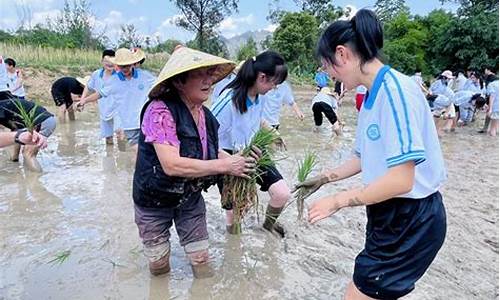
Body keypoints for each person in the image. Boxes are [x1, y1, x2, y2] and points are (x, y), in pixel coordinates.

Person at [296, 9, 447, 299]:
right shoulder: (371, 97)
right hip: (387, 215)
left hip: (411, 219)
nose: (327, 73)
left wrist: (337, 201)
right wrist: (325, 178)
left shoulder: (396, 92)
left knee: (356, 294)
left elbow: (402, 179)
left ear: (342, 55)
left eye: (326, 65)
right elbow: (365, 157)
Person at [133, 45, 257, 278]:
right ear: (179, 81)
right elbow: (171, 165)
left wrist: (239, 161)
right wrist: (226, 166)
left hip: (189, 198)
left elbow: (211, 151)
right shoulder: (159, 111)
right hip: (154, 200)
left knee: (201, 259)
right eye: (199, 74)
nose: (208, 80)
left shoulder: (206, 115)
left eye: (210, 74)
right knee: (159, 266)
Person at [211, 51, 291, 238]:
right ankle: (234, 247)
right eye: (274, 83)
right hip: (227, 155)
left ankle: (267, 228)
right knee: (236, 211)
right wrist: (230, 161)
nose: (274, 88)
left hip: (254, 149)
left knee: (282, 193)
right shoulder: (228, 100)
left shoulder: (260, 96)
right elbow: (204, 137)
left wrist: (273, 133)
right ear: (262, 77)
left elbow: (258, 118)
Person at [81, 48, 155, 153]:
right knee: (137, 150)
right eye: (122, 66)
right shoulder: (113, 81)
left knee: (149, 150)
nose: (125, 69)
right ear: (117, 66)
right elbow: (100, 94)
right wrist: (84, 100)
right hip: (129, 123)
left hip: (146, 120)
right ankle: (124, 158)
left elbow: (159, 85)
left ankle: (131, 165)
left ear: (132, 64)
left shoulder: (145, 76)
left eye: (127, 66)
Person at [0, 97, 56, 172]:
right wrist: (14, 159)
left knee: (28, 154)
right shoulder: (7, 110)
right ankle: (28, 180)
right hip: (47, 120)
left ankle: (37, 180)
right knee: (27, 155)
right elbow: (16, 134)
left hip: (41, 122)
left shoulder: (2, 109)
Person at [78, 49, 120, 145]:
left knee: (120, 133)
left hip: (118, 109)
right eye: (106, 61)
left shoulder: (119, 75)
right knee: (108, 138)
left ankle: (122, 157)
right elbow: (88, 87)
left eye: (112, 62)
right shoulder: (96, 74)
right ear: (102, 61)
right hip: (104, 109)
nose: (109, 64)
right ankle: (109, 156)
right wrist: (82, 100)